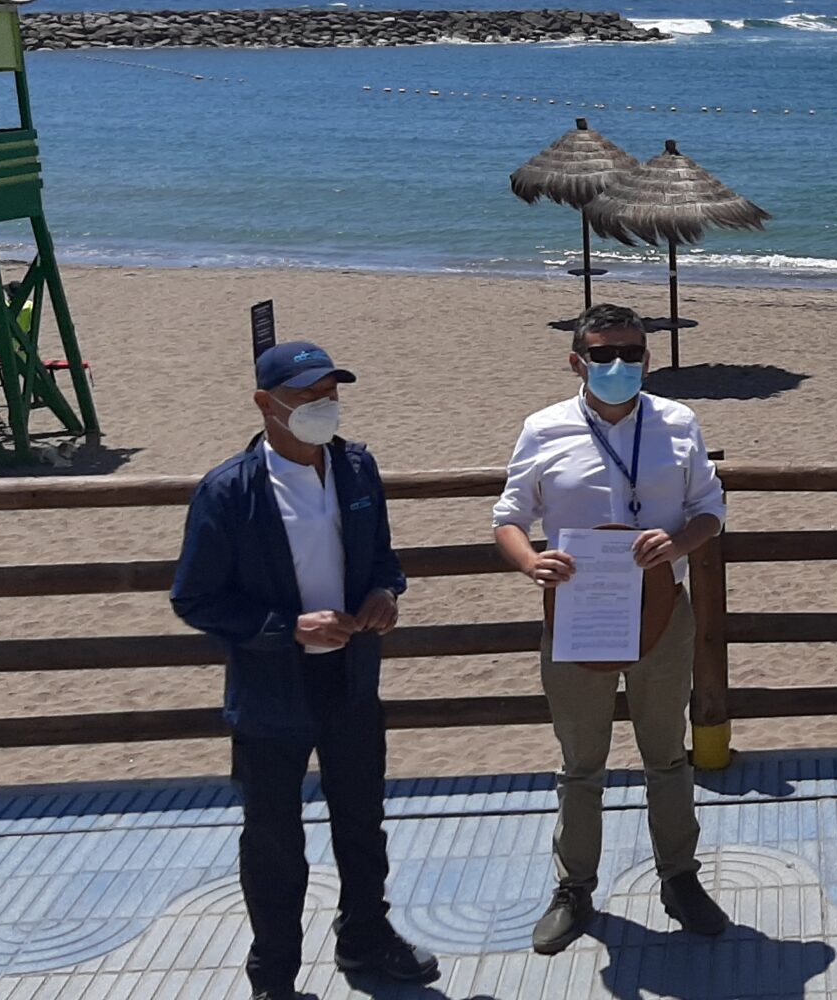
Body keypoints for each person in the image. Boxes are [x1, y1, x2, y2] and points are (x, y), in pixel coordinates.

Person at [171, 342, 439, 999]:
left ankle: (366, 937)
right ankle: (275, 979)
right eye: (307, 396)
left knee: (362, 823)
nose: (324, 406)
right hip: (270, 696)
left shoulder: (356, 467)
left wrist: (384, 593)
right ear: (266, 404)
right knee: (273, 843)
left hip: (351, 681)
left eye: (330, 393)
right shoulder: (229, 491)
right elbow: (195, 599)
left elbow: (382, 558)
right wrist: (287, 629)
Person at [492, 304, 730, 953]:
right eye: (603, 354)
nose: (618, 364)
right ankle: (574, 887)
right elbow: (508, 516)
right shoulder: (543, 428)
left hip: (662, 612)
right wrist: (530, 562)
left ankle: (680, 877)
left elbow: (711, 509)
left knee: (668, 755)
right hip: (577, 615)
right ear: (577, 361)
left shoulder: (678, 422)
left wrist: (679, 543)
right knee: (581, 763)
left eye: (630, 352)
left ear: (647, 359)